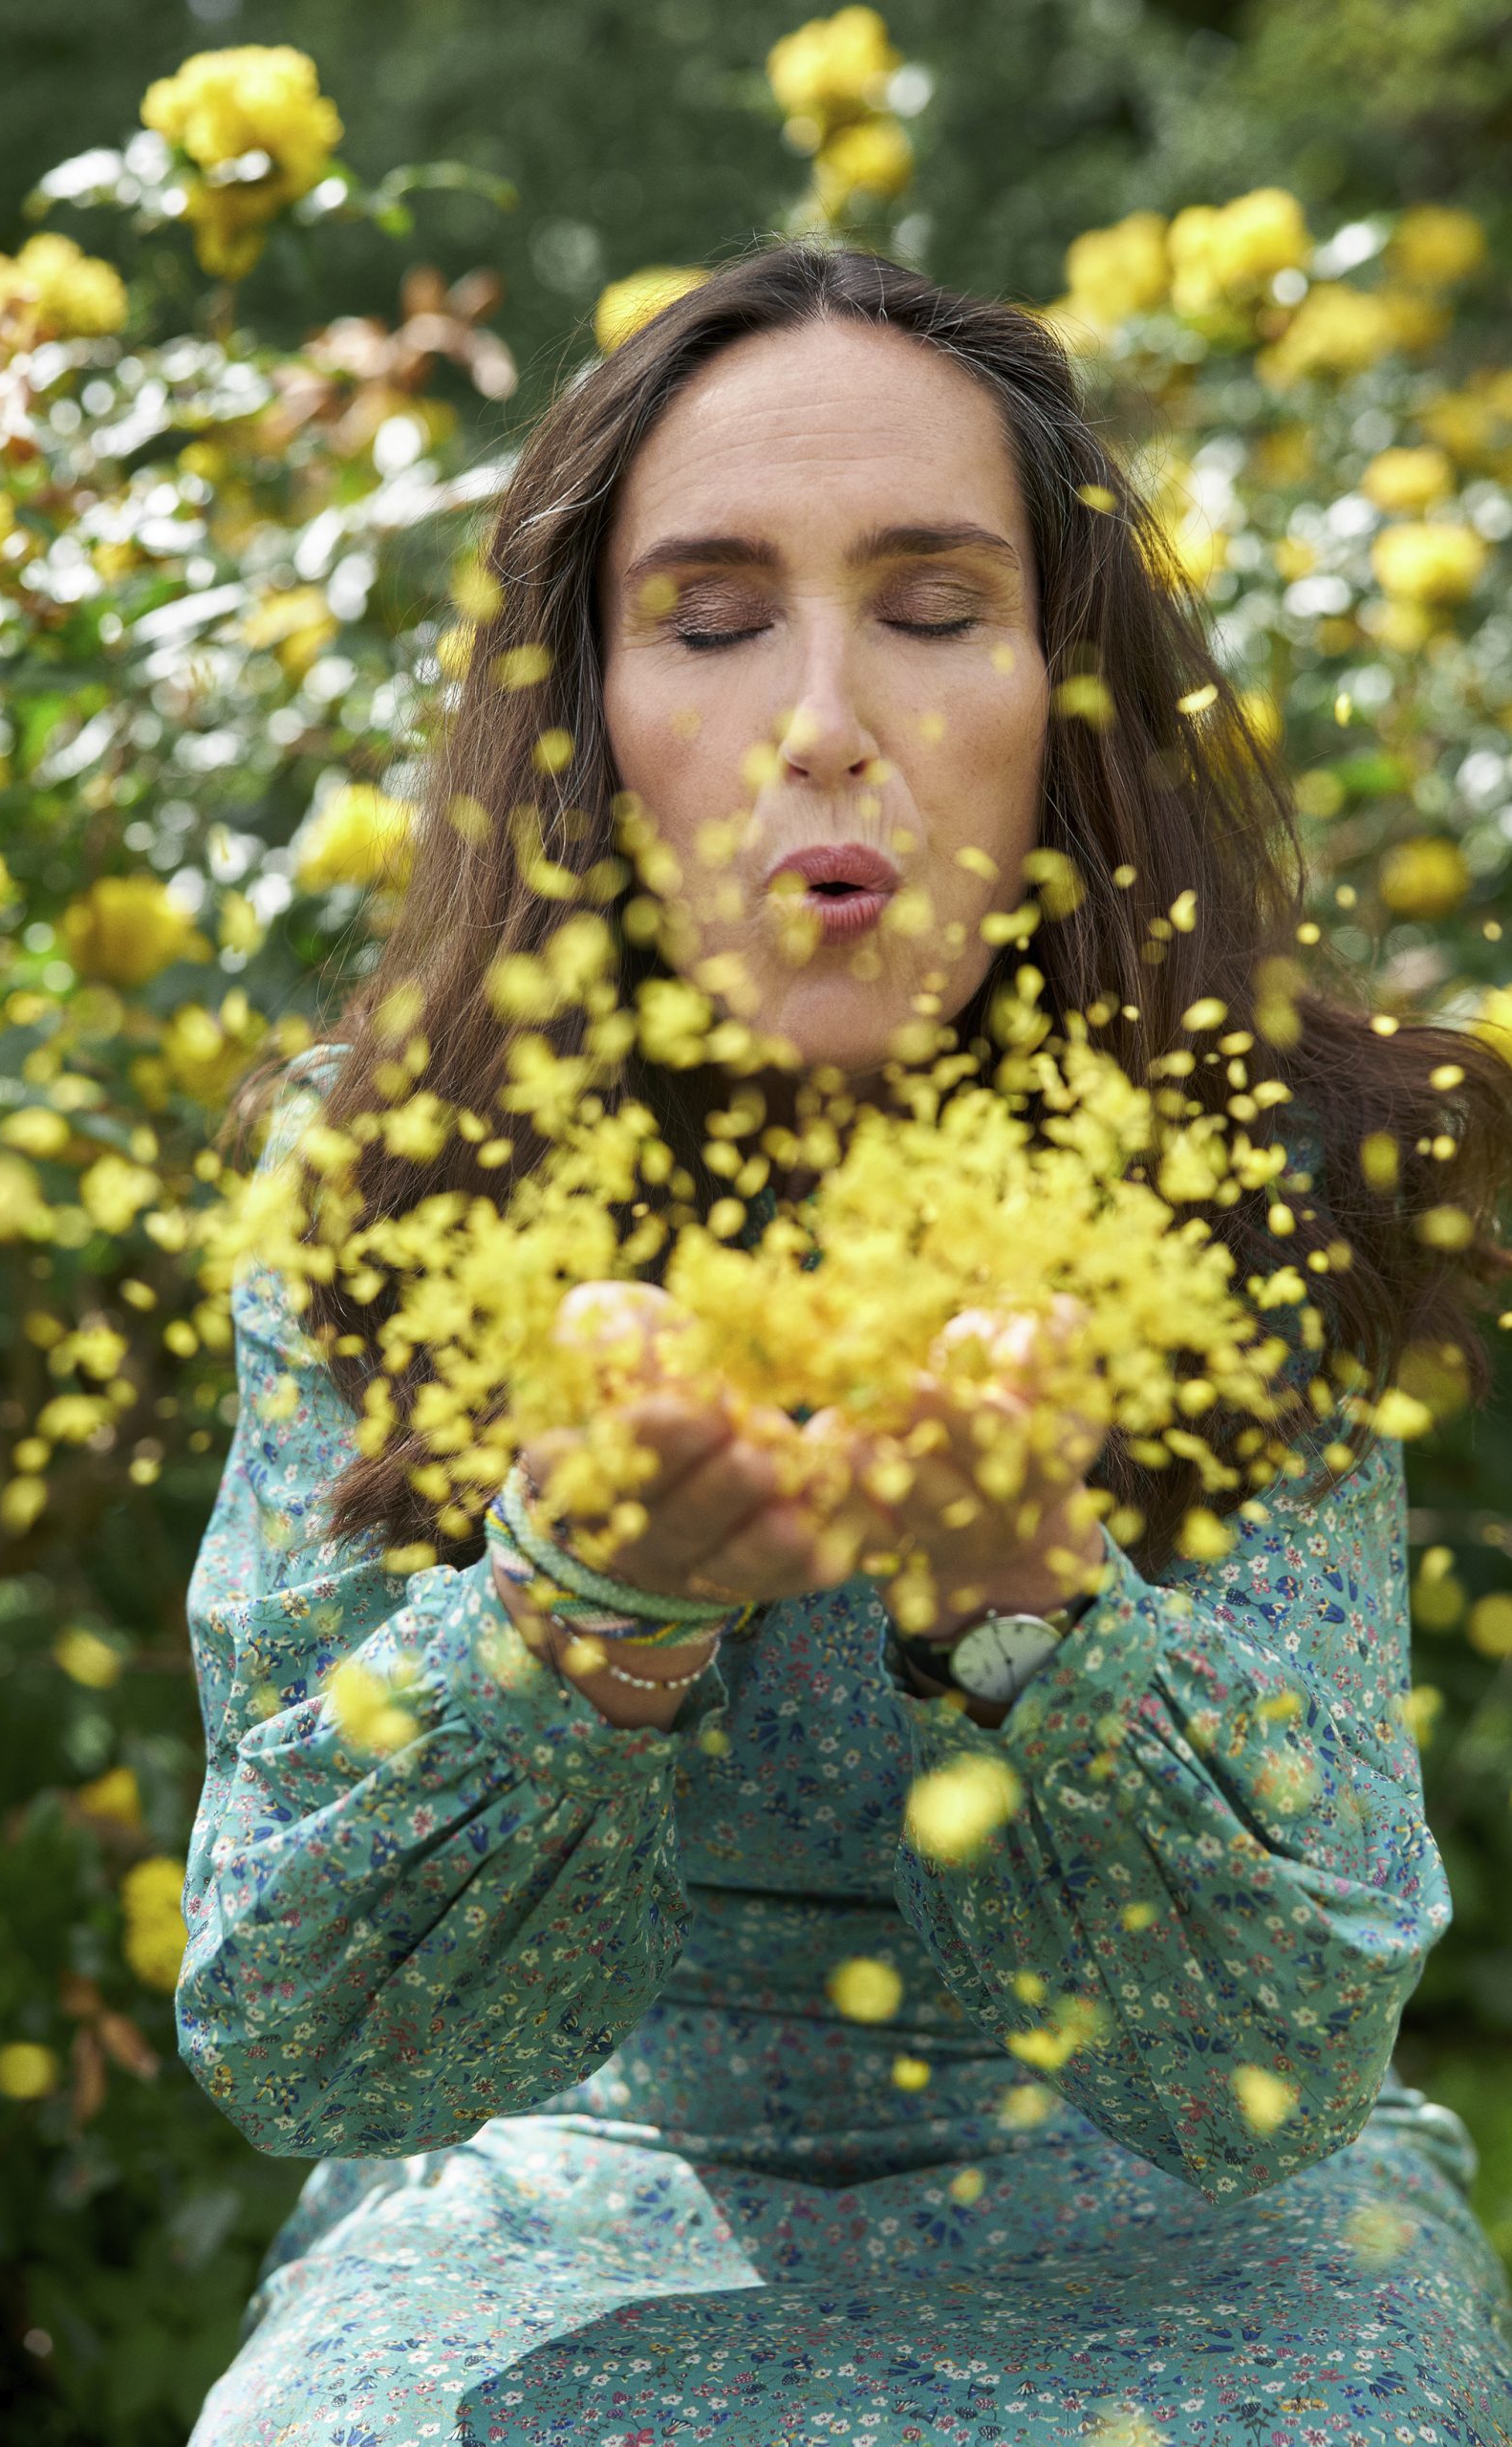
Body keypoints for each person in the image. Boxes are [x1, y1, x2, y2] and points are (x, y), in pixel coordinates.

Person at [179, 244, 1512, 2445]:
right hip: (555, 2196)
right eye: (708, 624)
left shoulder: (1237, 1166)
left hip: (1186, 2225)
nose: (823, 719)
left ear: (1065, 695)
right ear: (587, 718)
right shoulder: (393, 1176)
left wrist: (1037, 1611)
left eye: (929, 611)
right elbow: (303, 2039)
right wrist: (571, 1616)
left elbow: (1275, 2055)